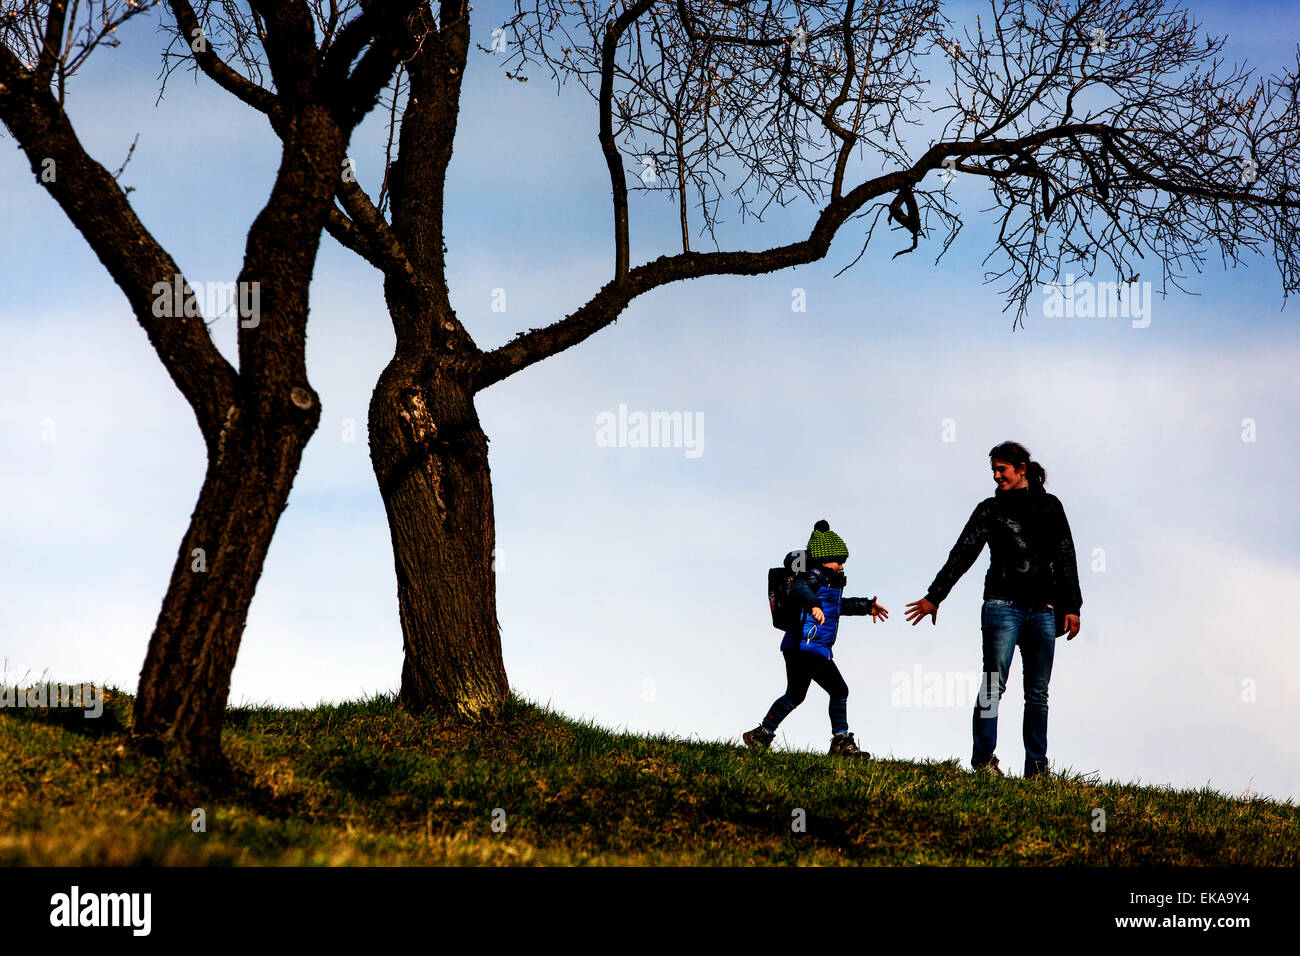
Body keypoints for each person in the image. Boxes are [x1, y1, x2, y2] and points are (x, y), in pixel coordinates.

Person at [904, 441, 1082, 779]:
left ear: (1022, 469)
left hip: (1044, 609)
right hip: (1002, 605)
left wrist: (1072, 606)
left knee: (1038, 693)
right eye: (994, 471)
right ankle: (984, 762)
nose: (996, 476)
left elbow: (1065, 554)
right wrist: (935, 596)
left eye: (1002, 469)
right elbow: (963, 553)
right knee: (992, 685)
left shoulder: (1050, 507)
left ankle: (1037, 767)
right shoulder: (989, 510)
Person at [743, 520, 888, 757]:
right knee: (839, 690)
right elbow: (801, 589)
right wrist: (813, 605)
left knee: (795, 695)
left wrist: (865, 606)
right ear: (824, 560)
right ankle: (841, 742)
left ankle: (760, 735)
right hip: (806, 645)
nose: (842, 566)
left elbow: (836, 606)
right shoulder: (813, 576)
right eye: (839, 561)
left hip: (802, 646)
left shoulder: (828, 582)